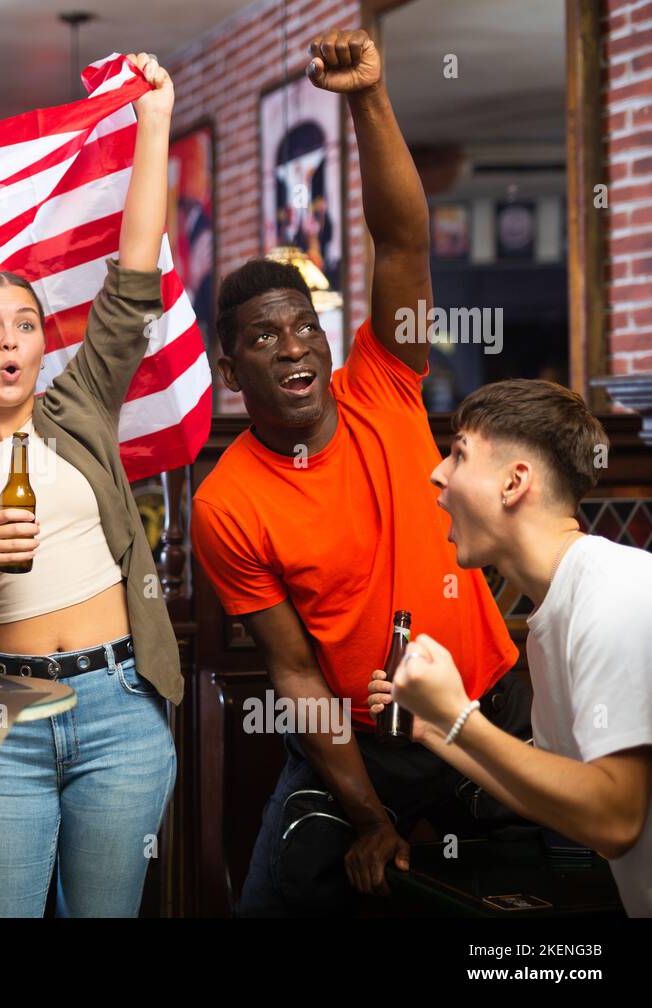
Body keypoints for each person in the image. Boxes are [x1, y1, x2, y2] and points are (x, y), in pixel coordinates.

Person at [190, 28, 530, 916]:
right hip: (362, 742)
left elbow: (403, 240)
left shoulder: (382, 380)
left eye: (303, 325)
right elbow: (298, 677)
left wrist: (367, 99)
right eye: (262, 338)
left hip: (486, 705)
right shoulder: (226, 502)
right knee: (276, 902)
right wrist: (370, 814)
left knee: (549, 899)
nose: (292, 347)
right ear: (232, 373)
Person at [0, 52, 181, 918]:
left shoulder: (81, 409)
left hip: (118, 710)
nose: (9, 340)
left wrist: (153, 121)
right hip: (0, 716)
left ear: (41, 345)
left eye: (24, 325)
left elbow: (132, 276)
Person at [370, 380, 652, 917]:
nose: (438, 472)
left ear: (513, 482)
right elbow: (556, 799)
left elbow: (614, 820)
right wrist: (433, 728)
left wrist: (459, 716)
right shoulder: (559, 612)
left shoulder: (614, 592)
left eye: (458, 454)